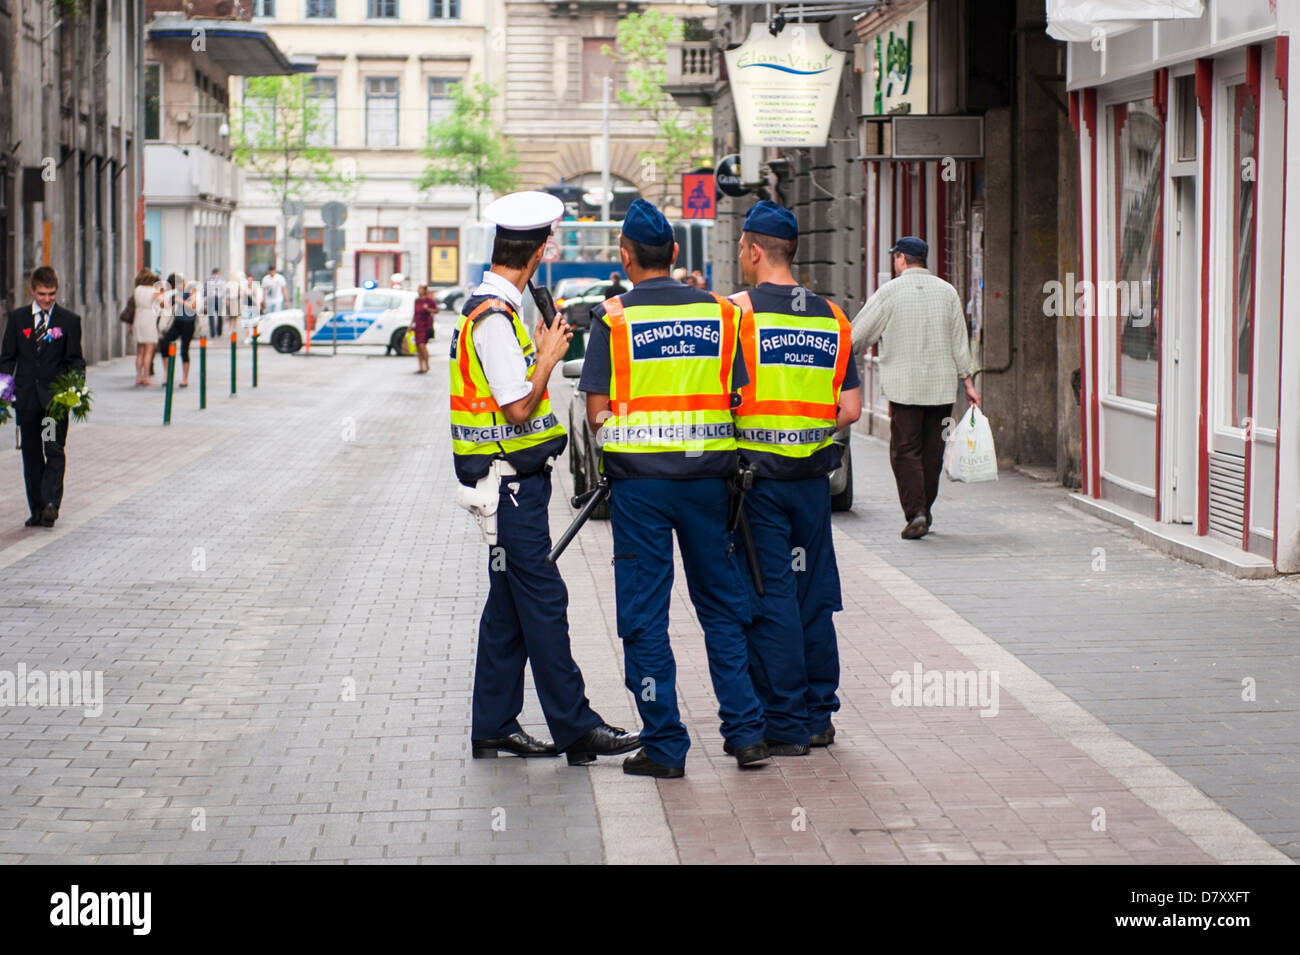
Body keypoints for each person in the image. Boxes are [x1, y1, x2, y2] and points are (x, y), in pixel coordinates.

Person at [580, 198, 769, 778]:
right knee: (722, 609)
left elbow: (595, 415)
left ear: (625, 255)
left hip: (641, 490)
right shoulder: (723, 314)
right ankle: (746, 735)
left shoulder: (612, 319)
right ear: (677, 254)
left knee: (644, 618)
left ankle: (665, 747)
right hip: (711, 486)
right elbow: (739, 397)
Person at [452, 190, 639, 766]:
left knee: (508, 608)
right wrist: (549, 356)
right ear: (538, 253)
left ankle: (494, 725)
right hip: (509, 488)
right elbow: (514, 406)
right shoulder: (492, 317)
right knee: (544, 602)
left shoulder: (495, 311)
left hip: (511, 485)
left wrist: (534, 351)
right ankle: (576, 726)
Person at [730, 200, 862, 752]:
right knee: (814, 594)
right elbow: (850, 409)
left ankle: (783, 722)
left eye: (741, 246)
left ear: (755, 251)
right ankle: (818, 714)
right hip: (812, 480)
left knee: (770, 595)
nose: (741, 255)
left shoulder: (734, 314)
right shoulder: (832, 317)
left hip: (756, 484)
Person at [851, 236, 981, 539]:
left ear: (901, 259)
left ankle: (917, 512)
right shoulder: (948, 292)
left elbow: (857, 336)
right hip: (941, 389)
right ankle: (925, 508)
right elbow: (960, 343)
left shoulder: (889, 293)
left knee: (905, 450)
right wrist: (969, 382)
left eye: (895, 256)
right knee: (933, 451)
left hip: (904, 388)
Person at [0, 266, 86, 528]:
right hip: (26, 401)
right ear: (32, 291)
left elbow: (75, 361)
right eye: (42, 294)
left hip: (53, 404)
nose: (47, 299)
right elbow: (7, 360)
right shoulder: (17, 320)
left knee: (52, 448)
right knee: (31, 454)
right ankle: (36, 509)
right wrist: (4, 394)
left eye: (51, 294)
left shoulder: (68, 321)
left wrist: (74, 389)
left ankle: (51, 503)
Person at [159, 273, 199, 387]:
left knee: (184, 350)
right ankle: (166, 375)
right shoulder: (176, 293)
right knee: (164, 343)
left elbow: (193, 305)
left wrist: (180, 301)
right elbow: (167, 306)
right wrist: (161, 297)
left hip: (189, 323)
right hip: (178, 321)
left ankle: (184, 379)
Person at [130, 269, 163, 386]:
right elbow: (164, 303)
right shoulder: (154, 290)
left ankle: (138, 377)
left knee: (140, 351)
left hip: (138, 319)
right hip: (149, 320)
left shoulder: (137, 290)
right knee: (149, 350)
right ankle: (147, 377)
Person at [412, 284, 435, 373]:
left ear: (424, 290)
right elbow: (415, 313)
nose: (418, 291)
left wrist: (428, 309)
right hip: (417, 325)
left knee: (422, 345)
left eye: (420, 289)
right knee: (418, 347)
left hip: (426, 325)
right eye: (418, 289)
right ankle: (421, 367)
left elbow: (436, 310)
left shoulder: (429, 300)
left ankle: (427, 365)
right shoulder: (417, 300)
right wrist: (411, 326)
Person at [205, 268, 225, 337]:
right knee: (218, 315)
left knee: (212, 316)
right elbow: (223, 290)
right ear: (217, 273)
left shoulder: (209, 279)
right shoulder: (220, 280)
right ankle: (217, 332)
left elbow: (205, 290)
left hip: (212, 298)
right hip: (216, 298)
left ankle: (213, 333)